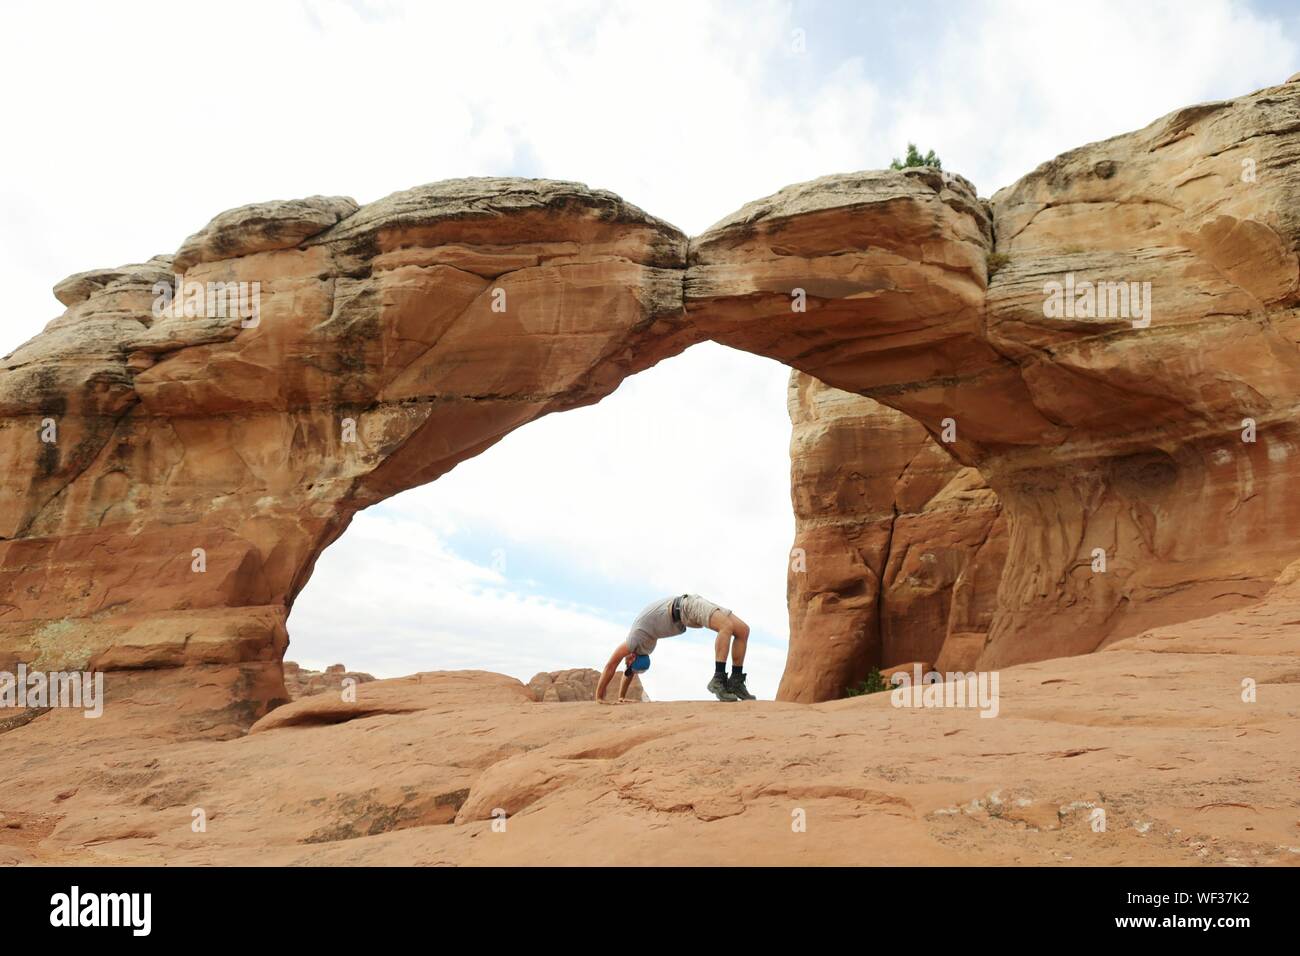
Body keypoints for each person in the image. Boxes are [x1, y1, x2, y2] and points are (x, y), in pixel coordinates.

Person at [595, 594, 755, 702]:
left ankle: (724, 680)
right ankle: (729, 680)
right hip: (686, 611)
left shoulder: (634, 639)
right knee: (731, 627)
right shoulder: (643, 647)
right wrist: (621, 697)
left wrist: (599, 697)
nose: (626, 666)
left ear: (632, 658)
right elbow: (629, 672)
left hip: (685, 606)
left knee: (741, 630)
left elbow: (611, 665)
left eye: (628, 665)